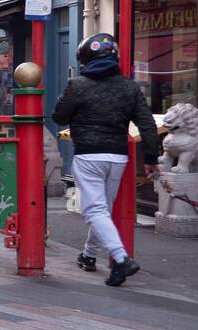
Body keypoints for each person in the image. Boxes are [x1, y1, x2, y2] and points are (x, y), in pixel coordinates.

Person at [51, 32, 162, 286]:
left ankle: (122, 259)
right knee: (103, 210)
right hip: (118, 157)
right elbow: (146, 124)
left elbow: (59, 117)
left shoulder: (77, 85)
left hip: (88, 155)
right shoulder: (130, 87)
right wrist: (151, 157)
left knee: (95, 210)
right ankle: (89, 255)